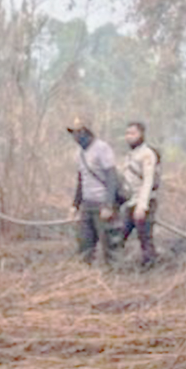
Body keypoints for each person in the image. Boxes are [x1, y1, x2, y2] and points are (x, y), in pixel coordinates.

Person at [67, 114, 121, 266]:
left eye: (78, 132)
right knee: (85, 243)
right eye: (73, 133)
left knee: (110, 246)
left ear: (86, 132)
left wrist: (108, 205)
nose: (75, 136)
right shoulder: (79, 153)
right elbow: (81, 181)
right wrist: (75, 205)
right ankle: (85, 272)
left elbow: (111, 177)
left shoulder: (102, 148)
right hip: (87, 204)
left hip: (102, 203)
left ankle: (115, 273)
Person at [118, 120, 160, 267]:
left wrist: (142, 206)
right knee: (119, 235)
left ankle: (150, 267)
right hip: (130, 202)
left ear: (141, 134)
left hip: (144, 202)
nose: (129, 136)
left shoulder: (147, 154)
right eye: (127, 133)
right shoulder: (130, 155)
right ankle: (115, 265)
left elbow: (148, 181)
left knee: (145, 238)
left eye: (133, 133)